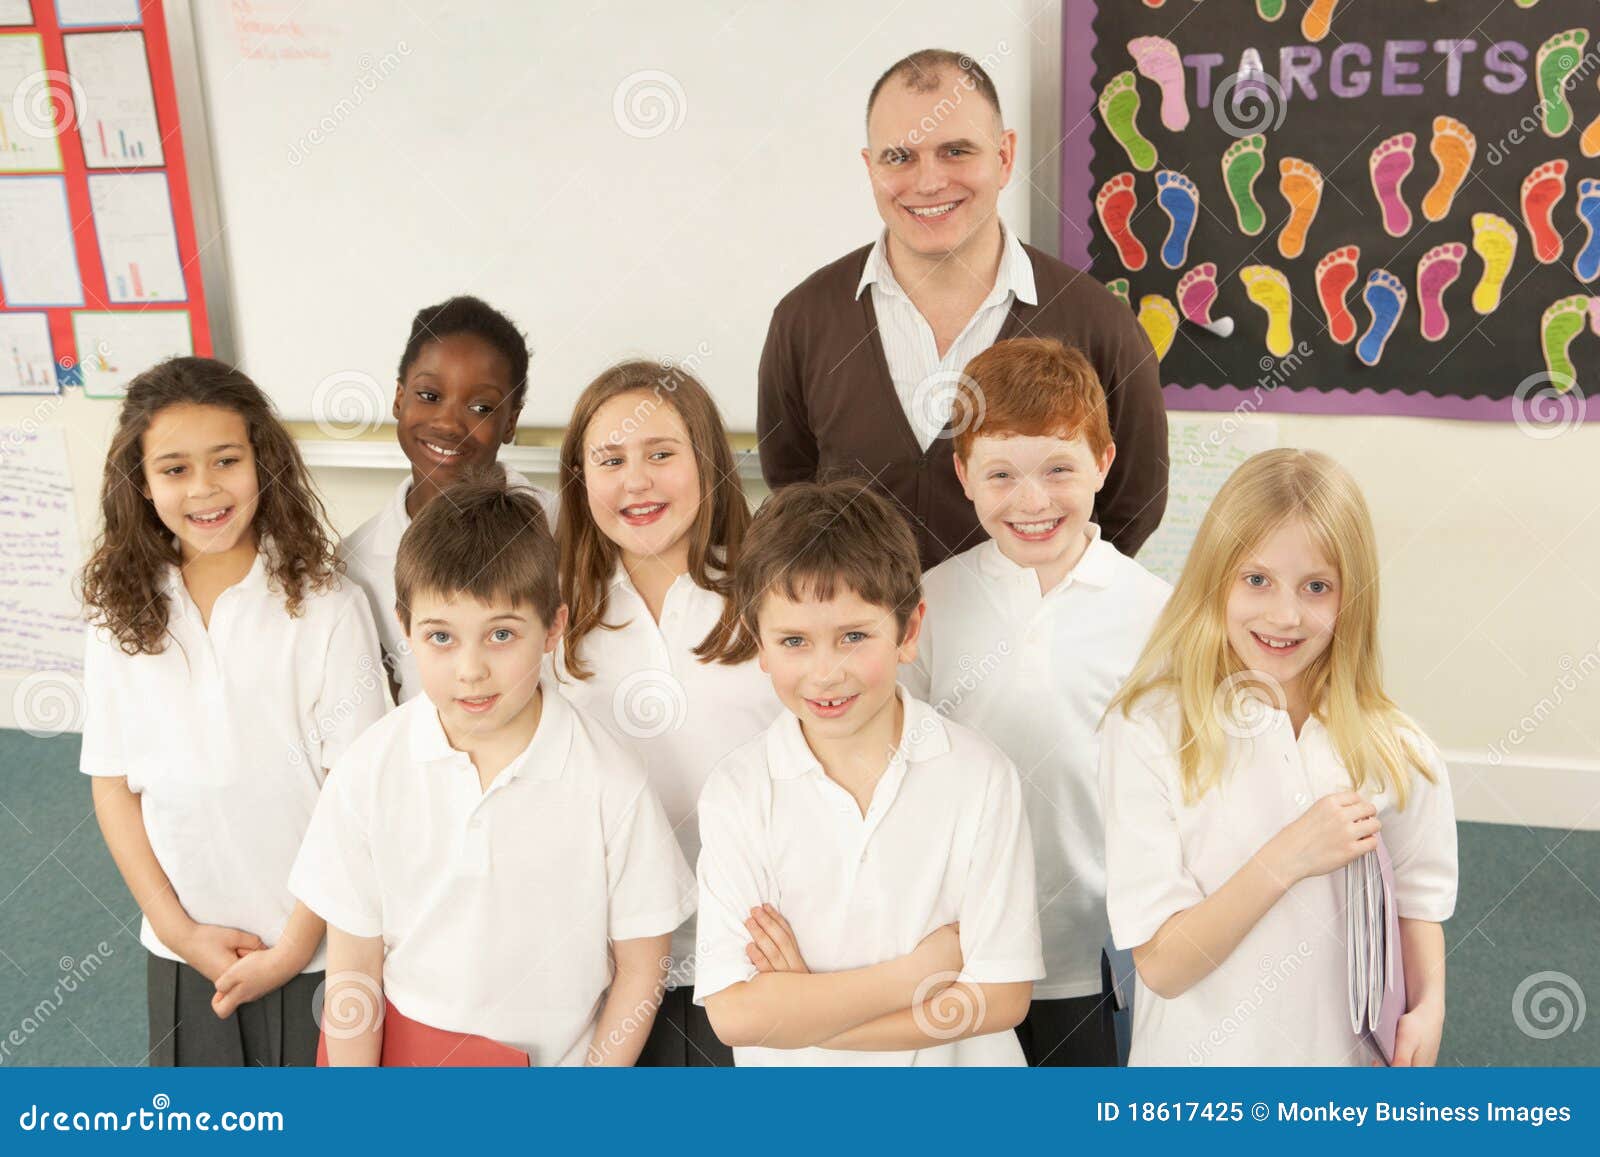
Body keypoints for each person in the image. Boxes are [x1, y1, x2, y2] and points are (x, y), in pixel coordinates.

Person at [291, 474, 695, 1065]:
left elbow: (642, 968)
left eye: (501, 634)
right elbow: (354, 969)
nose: (471, 670)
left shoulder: (610, 780)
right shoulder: (370, 770)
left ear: (553, 627)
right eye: (441, 637)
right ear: (406, 628)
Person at [1100, 449, 1458, 1065]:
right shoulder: (1148, 731)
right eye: (1256, 579)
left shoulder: (1399, 750)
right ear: (1216, 579)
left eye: (1316, 587)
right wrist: (1290, 855)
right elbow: (1162, 965)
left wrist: (1430, 1007)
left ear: (1353, 598)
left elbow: (1417, 904)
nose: (1286, 615)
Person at [79, 356, 387, 1066]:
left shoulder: (326, 605)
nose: (205, 488)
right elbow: (112, 786)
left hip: (318, 951)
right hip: (188, 950)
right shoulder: (117, 614)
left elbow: (357, 798)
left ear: (263, 462)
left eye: (226, 460)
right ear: (141, 482)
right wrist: (179, 930)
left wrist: (295, 944)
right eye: (175, 469)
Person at [759, 48, 1167, 570]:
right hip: (862, 646)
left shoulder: (1099, 324)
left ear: (1004, 156)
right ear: (870, 167)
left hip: (1033, 643)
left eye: (956, 151)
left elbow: (1133, 503)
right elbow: (793, 491)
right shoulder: (805, 319)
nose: (928, 182)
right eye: (899, 157)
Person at [693, 479, 1044, 1065]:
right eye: (794, 641)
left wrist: (806, 1019)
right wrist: (918, 973)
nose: (826, 673)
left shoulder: (979, 776)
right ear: (758, 641)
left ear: (908, 632)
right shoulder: (739, 791)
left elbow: (1002, 997)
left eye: (854, 636)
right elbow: (736, 1015)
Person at [905, 337, 1169, 1065]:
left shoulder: (1158, 614)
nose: (1032, 501)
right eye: (1001, 474)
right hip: (957, 953)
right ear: (963, 475)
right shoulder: (930, 601)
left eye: (1059, 468)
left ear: (1104, 463)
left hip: (1092, 956)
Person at [554, 360, 782, 1066]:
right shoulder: (549, 622)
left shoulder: (774, 598)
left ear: (708, 461)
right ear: (580, 478)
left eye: (661, 454)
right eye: (611, 459)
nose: (637, 480)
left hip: (759, 965)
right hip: (607, 973)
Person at [341, 295, 557, 702]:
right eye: (429, 396)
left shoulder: (564, 528)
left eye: (481, 406)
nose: (448, 423)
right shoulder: (356, 563)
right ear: (399, 398)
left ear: (510, 421)